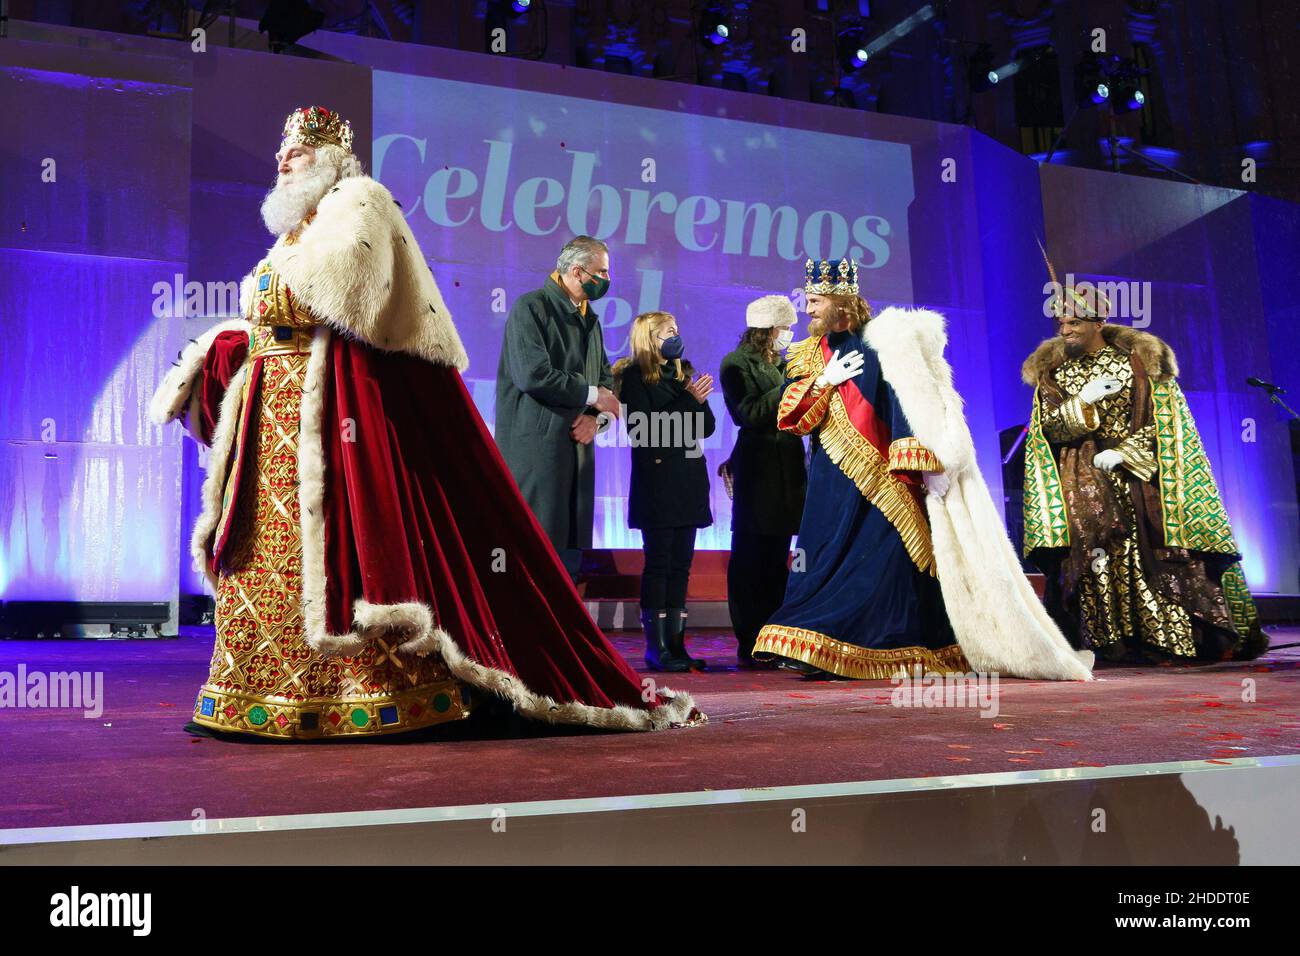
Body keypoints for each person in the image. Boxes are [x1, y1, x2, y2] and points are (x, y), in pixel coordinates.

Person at [148, 106, 700, 738]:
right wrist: (229, 345)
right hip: (275, 432)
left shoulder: (360, 205)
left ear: (330, 158)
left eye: (296, 152)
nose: (282, 161)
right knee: (269, 558)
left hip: (330, 427)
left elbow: (345, 301)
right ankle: (260, 692)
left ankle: (359, 694)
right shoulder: (297, 230)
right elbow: (282, 316)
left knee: (341, 553)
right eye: (282, 151)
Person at [754, 258, 1093, 682]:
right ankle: (818, 641)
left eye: (817, 301)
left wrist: (920, 463)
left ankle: (880, 645)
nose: (809, 310)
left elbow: (910, 402)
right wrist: (823, 381)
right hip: (830, 475)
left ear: (842, 302)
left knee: (881, 562)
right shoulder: (808, 353)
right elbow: (791, 417)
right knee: (821, 554)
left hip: (885, 477)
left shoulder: (884, 341)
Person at [1021, 255, 1267, 664]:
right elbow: (1050, 430)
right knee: (1097, 556)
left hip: (1142, 476)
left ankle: (1164, 640)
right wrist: (1083, 402)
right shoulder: (1055, 375)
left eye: (1074, 323)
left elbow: (1167, 425)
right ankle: (1107, 643)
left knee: (1157, 555)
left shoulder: (1138, 365)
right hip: (1084, 481)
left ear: (1097, 322)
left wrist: (1126, 451)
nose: (1065, 331)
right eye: (1061, 324)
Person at [495, 236, 622, 583]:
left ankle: (563, 635)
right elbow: (533, 375)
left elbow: (606, 380)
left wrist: (596, 419)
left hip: (576, 454)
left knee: (570, 557)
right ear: (578, 272)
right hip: (538, 452)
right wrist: (593, 396)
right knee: (536, 551)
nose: (607, 279)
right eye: (603, 271)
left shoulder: (589, 319)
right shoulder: (531, 308)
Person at [613, 312, 716, 672]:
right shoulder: (633, 377)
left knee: (681, 566)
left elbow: (705, 427)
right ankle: (656, 648)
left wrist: (696, 400)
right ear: (649, 338)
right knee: (659, 564)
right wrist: (689, 400)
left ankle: (677, 645)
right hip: (658, 484)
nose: (676, 336)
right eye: (668, 332)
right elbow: (645, 429)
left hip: (688, 481)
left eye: (677, 329)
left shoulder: (682, 372)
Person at [718, 295, 807, 668]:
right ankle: (750, 639)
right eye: (785, 328)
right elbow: (746, 412)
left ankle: (775, 636)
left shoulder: (787, 363)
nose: (789, 334)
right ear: (768, 329)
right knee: (750, 559)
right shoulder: (736, 364)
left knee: (777, 559)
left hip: (788, 466)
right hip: (758, 471)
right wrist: (788, 388)